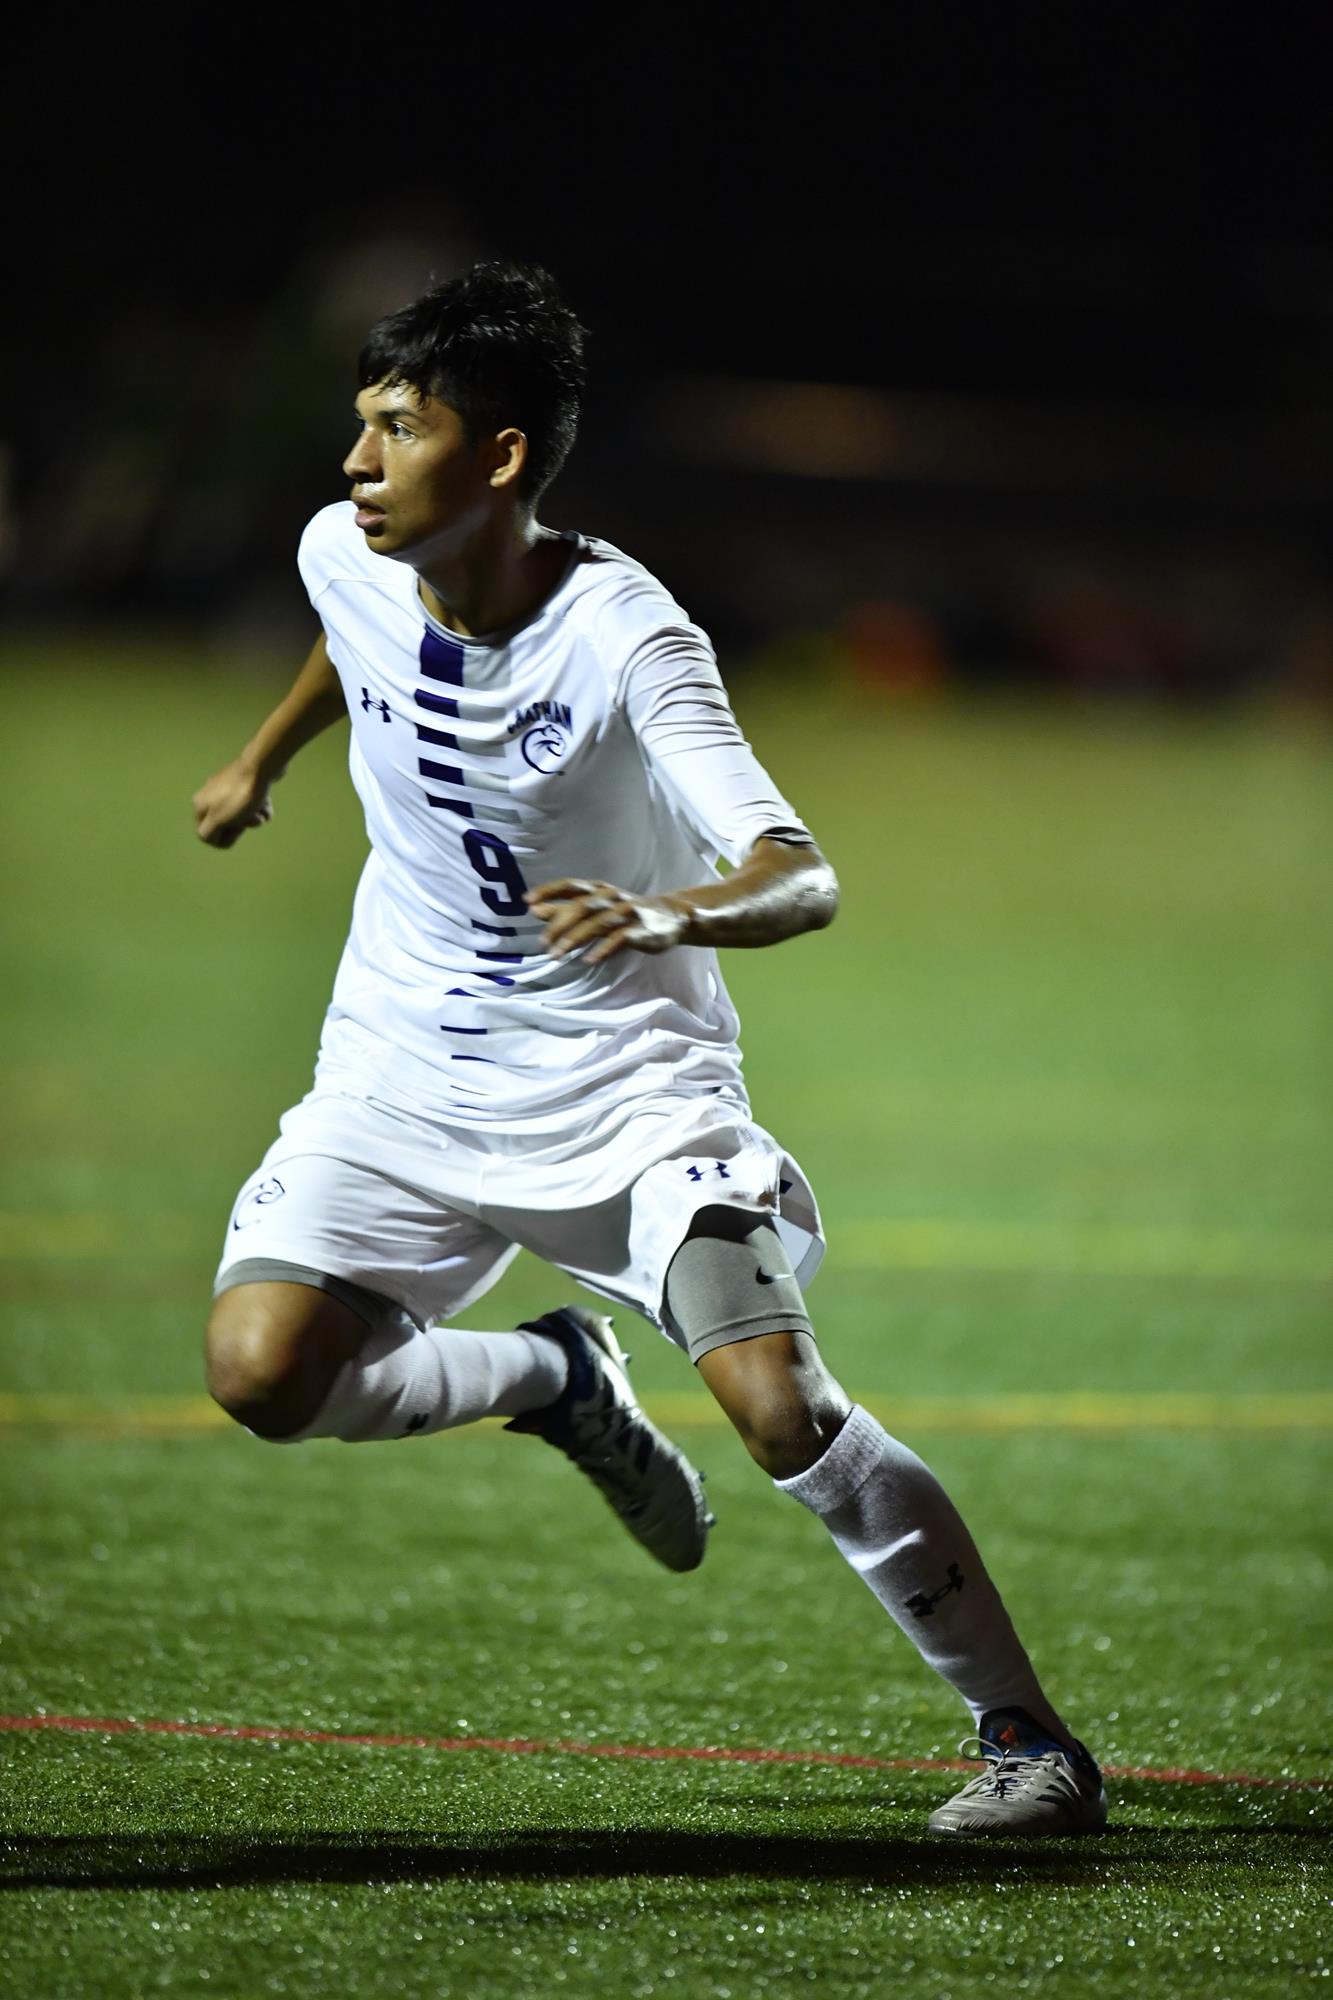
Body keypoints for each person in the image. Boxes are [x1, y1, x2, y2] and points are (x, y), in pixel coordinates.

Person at [193, 260, 1106, 1836]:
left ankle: (1027, 1742)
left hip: (623, 1094)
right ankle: (549, 1378)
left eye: (395, 431)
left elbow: (798, 873)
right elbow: (353, 645)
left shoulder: (630, 639)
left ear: (495, 459)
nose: (354, 463)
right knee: (263, 1375)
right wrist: (263, 754)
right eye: (360, 425)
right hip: (398, 1074)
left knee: (777, 1408)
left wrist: (669, 914)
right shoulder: (346, 549)